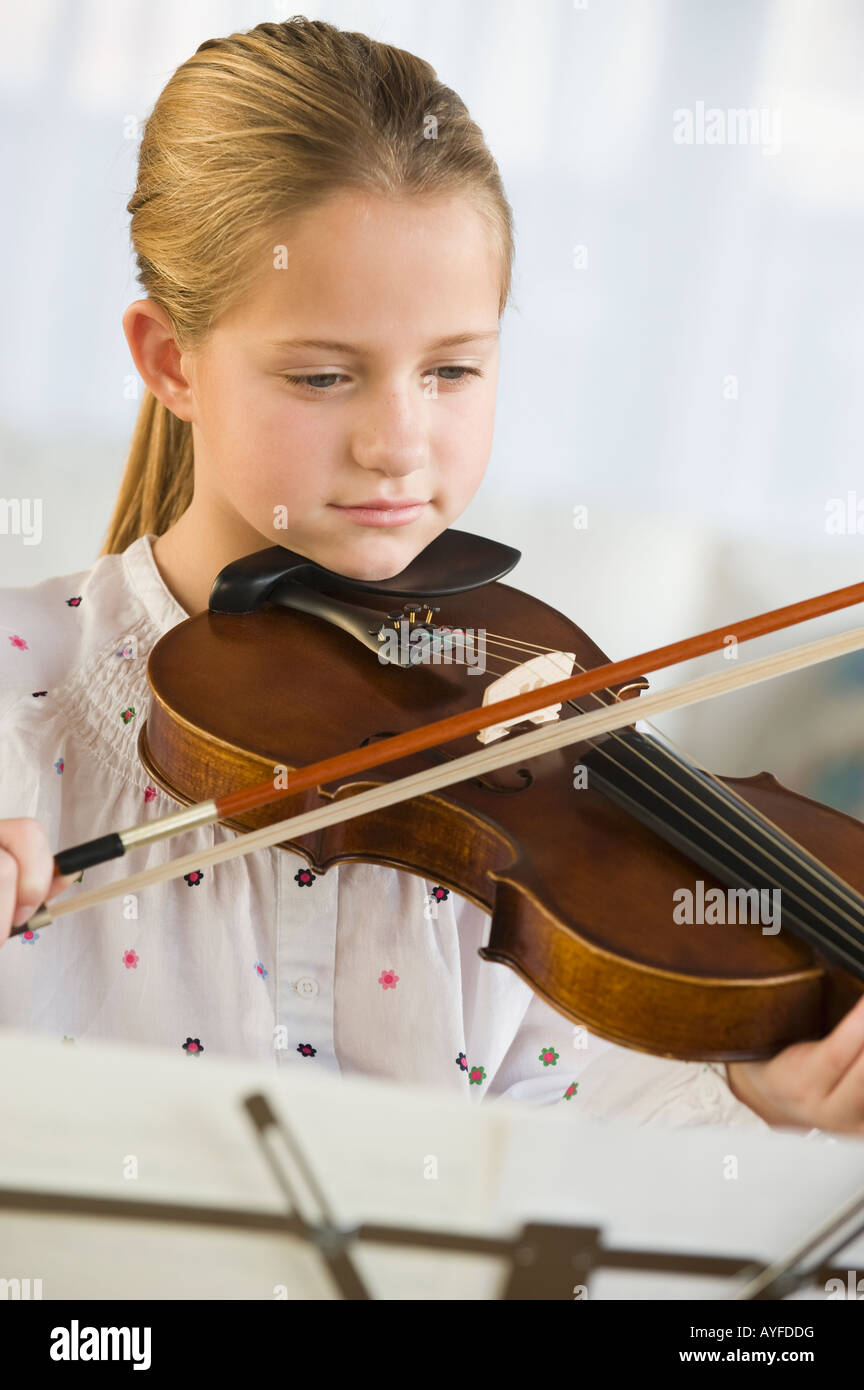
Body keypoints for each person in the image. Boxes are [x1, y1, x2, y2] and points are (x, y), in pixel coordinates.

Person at [0, 16, 860, 1135]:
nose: (398, 443)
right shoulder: (23, 701)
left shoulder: (525, 738)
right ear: (171, 361)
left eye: (453, 367)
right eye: (321, 376)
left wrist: (762, 1099)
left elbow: (572, 1131)